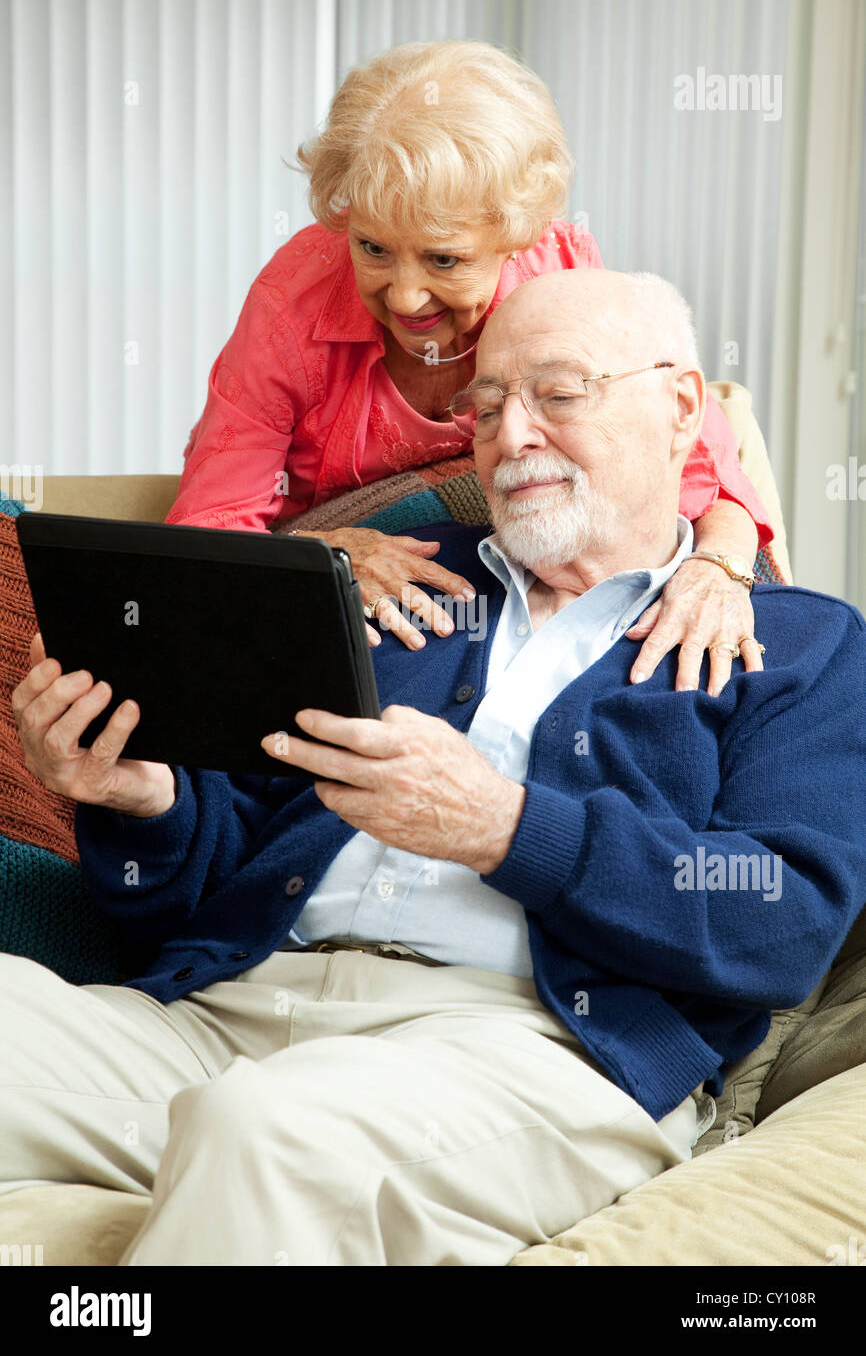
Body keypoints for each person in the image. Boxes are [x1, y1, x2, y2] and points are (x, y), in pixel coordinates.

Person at [10, 268, 863, 1267]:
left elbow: (780, 921)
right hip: (230, 1006)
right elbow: (205, 860)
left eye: (558, 393)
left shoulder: (796, 644)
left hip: (534, 1049)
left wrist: (504, 827)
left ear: (678, 408)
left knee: (264, 1132)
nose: (511, 436)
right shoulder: (392, 573)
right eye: (488, 404)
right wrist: (142, 797)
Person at [165, 39, 771, 689]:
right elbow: (208, 535)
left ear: (518, 235)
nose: (404, 295)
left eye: (443, 260)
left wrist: (722, 569)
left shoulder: (560, 274)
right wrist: (325, 555)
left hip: (521, 582)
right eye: (372, 247)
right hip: (363, 601)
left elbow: (698, 465)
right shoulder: (294, 301)